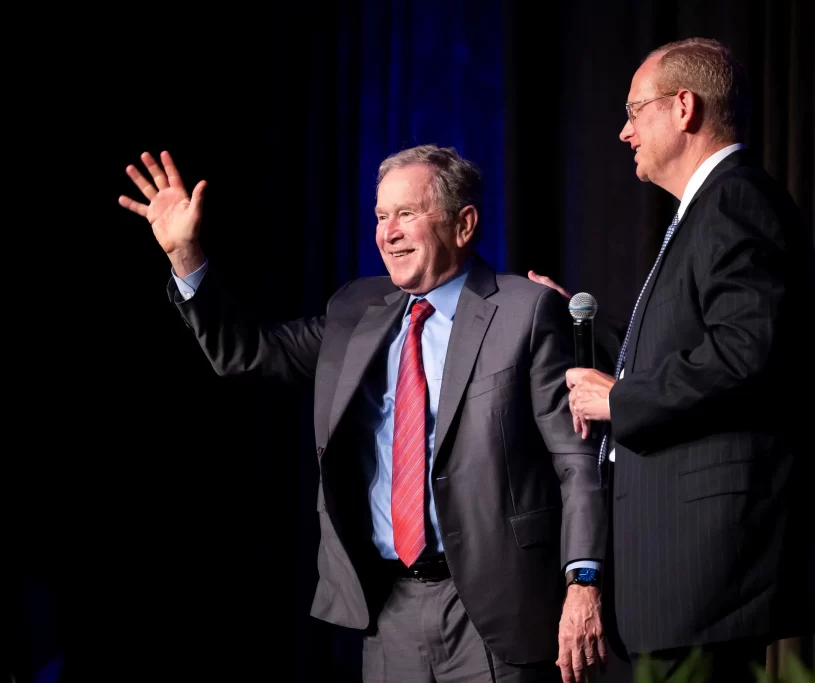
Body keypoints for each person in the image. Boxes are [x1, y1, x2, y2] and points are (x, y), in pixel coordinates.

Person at [118, 144, 608, 683]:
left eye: (406, 214)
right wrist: (186, 257)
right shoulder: (355, 311)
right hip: (389, 611)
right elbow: (247, 354)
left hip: (497, 610)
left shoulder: (524, 310)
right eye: (380, 216)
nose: (387, 232)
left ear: (464, 224)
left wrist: (582, 582)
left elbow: (575, 461)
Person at [529, 38, 815, 681]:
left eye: (634, 111)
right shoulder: (708, 210)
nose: (623, 132)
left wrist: (616, 400)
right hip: (687, 577)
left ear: (683, 108)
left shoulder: (735, 201)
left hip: (710, 568)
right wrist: (581, 327)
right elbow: (694, 351)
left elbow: (745, 356)